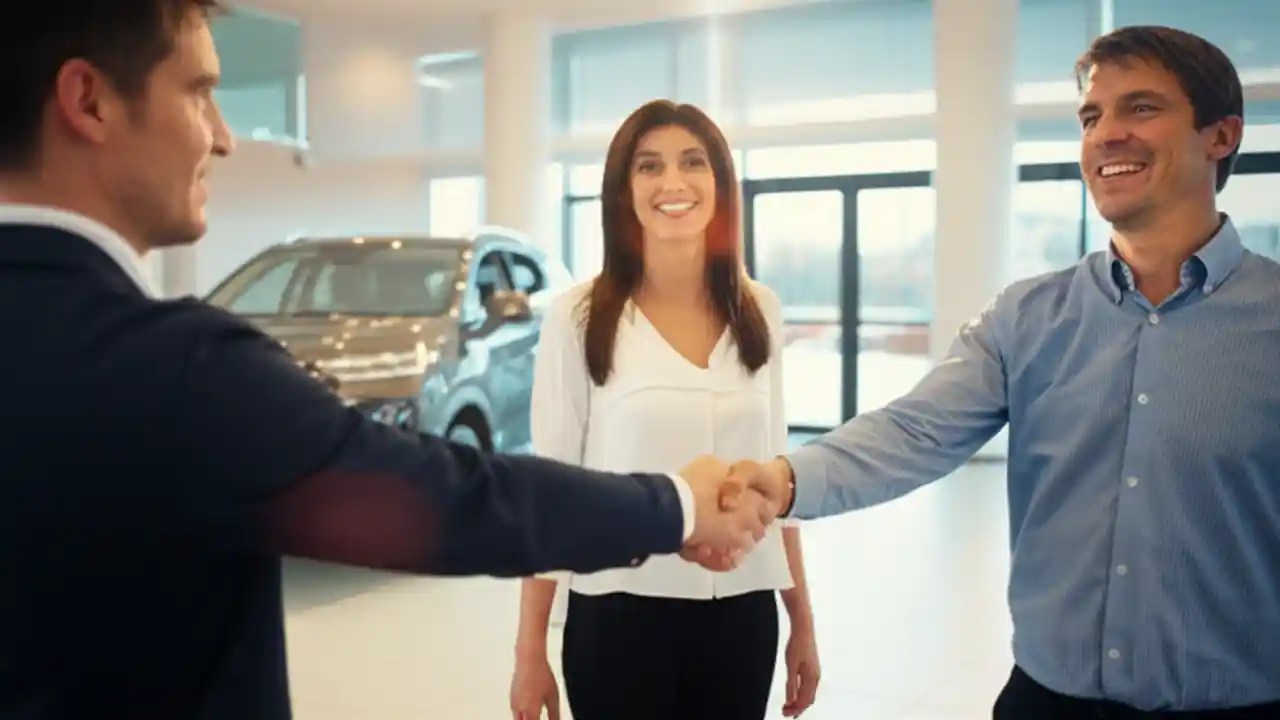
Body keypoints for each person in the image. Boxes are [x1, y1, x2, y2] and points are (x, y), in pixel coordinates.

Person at [0, 3, 789, 718]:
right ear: (89, 101)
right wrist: (677, 506)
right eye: (198, 92)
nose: (222, 134)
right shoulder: (172, 367)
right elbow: (450, 495)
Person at [744, 24, 1280, 718]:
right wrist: (780, 481)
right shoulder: (1026, 316)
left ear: (1222, 135)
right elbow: (912, 433)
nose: (1107, 133)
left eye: (1141, 108)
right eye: (1092, 116)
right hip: (1045, 701)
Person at [508, 100, 821, 720]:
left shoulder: (760, 309)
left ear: (720, 185)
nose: (672, 182)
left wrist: (802, 621)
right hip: (618, 613)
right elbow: (552, 489)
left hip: (741, 610)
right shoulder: (579, 317)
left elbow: (779, 479)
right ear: (624, 190)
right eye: (649, 166)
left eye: (692, 163)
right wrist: (529, 649)